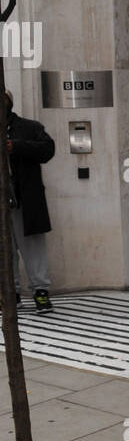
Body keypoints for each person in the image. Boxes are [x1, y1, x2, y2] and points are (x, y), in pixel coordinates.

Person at [3, 89, 55, 313]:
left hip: (25, 198)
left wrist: (16, 146)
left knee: (33, 247)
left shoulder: (30, 127)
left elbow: (48, 150)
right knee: (5, 250)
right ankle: (10, 294)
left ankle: (40, 292)